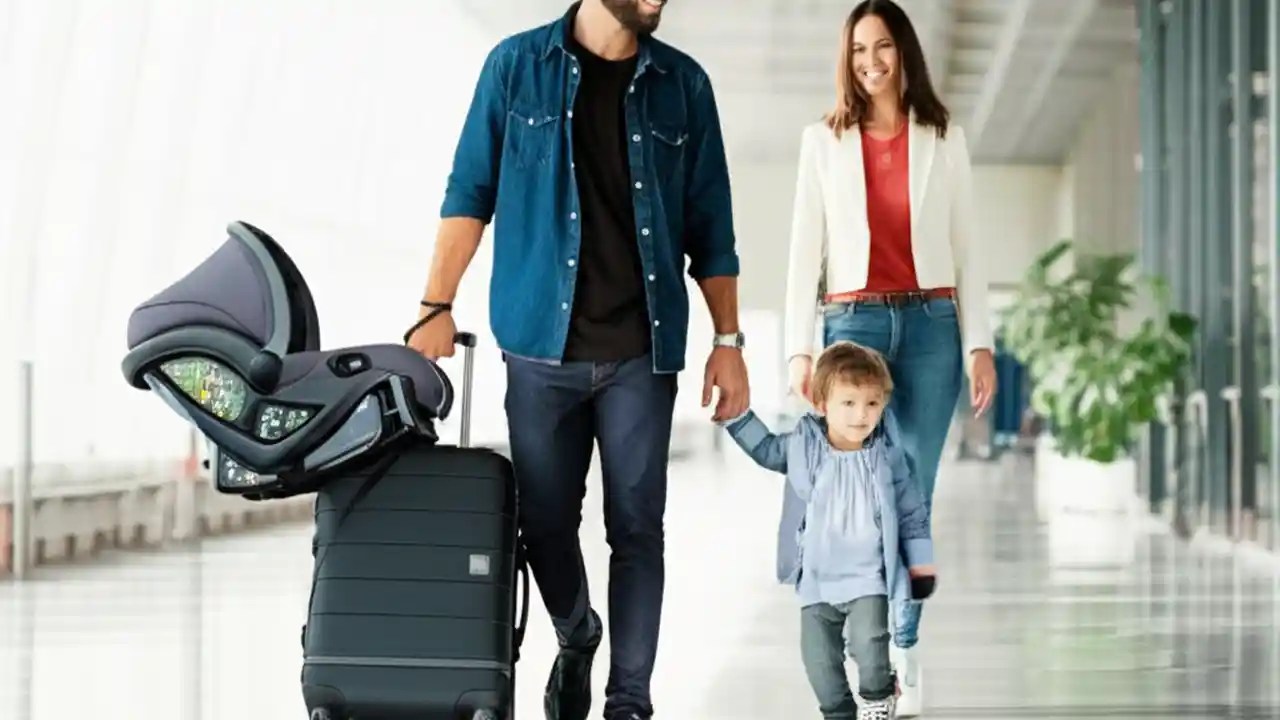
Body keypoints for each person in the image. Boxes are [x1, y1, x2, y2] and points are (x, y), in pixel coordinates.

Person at [406, 1, 750, 718]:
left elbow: (711, 224)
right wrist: (435, 305)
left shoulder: (683, 85)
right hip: (538, 349)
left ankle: (630, 701)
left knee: (636, 529)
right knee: (546, 526)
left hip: (641, 354)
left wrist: (728, 341)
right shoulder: (515, 67)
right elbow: (471, 189)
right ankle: (576, 630)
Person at [782, 1, 997, 715]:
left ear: (904, 52)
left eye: (882, 47)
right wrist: (797, 352)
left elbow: (969, 247)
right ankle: (867, 638)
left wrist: (979, 345)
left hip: (933, 323)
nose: (869, 61)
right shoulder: (823, 140)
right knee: (858, 500)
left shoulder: (945, 136)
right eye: (858, 50)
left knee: (913, 498)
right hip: (853, 324)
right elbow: (801, 251)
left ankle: (903, 646)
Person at [721, 341, 937, 720]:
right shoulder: (804, 446)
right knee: (819, 662)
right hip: (817, 578)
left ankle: (877, 696)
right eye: (848, 403)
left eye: (872, 403)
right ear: (822, 405)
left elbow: (912, 512)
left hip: (868, 575)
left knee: (870, 646)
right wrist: (738, 418)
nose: (861, 415)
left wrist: (920, 566)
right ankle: (839, 713)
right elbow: (769, 450)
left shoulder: (888, 455)